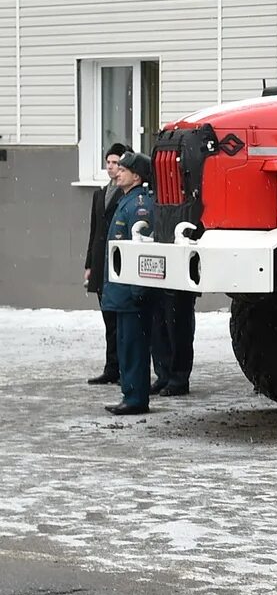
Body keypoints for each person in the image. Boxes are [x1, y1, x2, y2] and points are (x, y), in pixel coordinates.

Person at [99, 150, 156, 415]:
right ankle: (130, 393)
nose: (117, 172)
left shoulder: (139, 205)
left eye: (123, 169)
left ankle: (135, 398)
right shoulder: (126, 201)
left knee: (133, 346)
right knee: (125, 344)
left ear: (136, 176)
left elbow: (143, 250)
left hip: (132, 292)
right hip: (122, 290)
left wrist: (138, 291)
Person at [83, 144, 126, 385]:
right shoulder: (100, 193)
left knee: (122, 321)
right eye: (108, 162)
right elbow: (94, 231)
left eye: (116, 162)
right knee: (108, 320)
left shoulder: (127, 193)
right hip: (101, 265)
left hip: (117, 263)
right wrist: (89, 263)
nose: (111, 167)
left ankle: (123, 369)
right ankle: (111, 368)